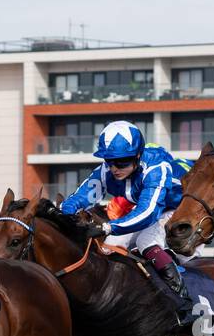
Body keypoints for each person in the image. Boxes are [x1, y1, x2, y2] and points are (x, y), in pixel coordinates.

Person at [60, 121, 194, 320]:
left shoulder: (157, 168)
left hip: (181, 206)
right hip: (154, 207)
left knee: (146, 241)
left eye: (121, 162)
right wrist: (61, 213)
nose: (114, 168)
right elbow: (81, 197)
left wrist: (107, 226)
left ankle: (182, 302)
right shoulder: (107, 171)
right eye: (109, 161)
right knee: (109, 246)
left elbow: (147, 213)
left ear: (138, 156)